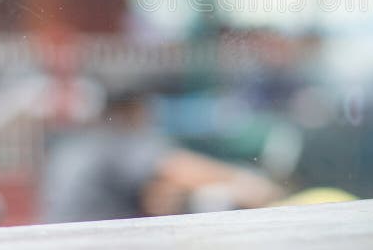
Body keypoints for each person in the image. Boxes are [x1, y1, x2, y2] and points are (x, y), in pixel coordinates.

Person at [41, 82, 282, 223]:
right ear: (132, 110)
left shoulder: (74, 144)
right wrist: (252, 184)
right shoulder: (119, 138)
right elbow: (180, 167)